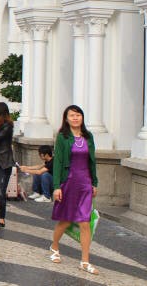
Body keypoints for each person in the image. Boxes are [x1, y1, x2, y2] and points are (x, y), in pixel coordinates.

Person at [49, 105, 100, 275]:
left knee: (85, 222)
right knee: (66, 219)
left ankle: (85, 262)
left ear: (82, 117)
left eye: (78, 115)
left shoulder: (88, 136)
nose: (75, 118)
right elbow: (57, 162)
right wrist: (57, 186)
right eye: (72, 115)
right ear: (66, 118)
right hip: (69, 182)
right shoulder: (62, 137)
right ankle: (54, 246)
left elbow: (92, 161)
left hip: (85, 184)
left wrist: (94, 182)